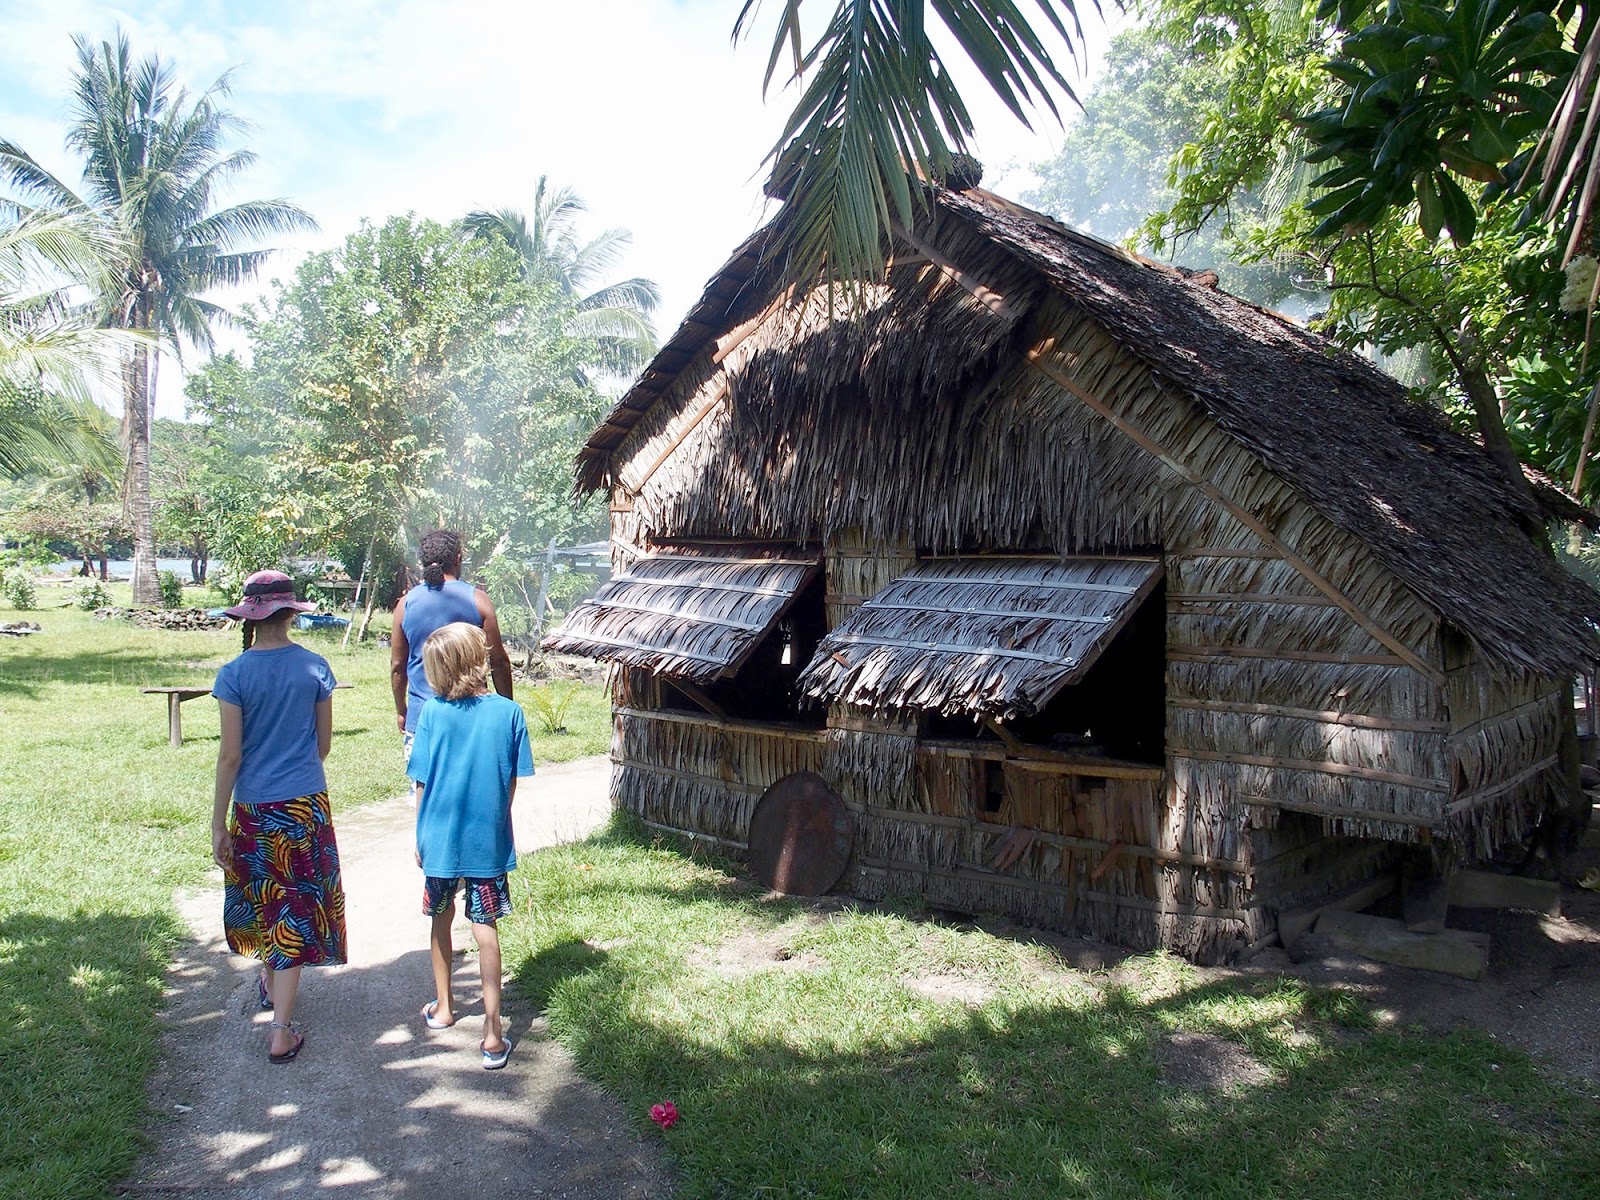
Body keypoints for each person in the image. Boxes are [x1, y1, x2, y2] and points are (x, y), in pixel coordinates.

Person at [211, 570, 348, 1064]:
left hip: (252, 807)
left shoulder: (234, 674)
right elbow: (324, 745)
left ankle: (273, 987)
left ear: (249, 615)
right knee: (294, 905)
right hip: (304, 804)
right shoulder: (315, 668)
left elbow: (230, 757)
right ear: (292, 613)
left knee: (267, 898)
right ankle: (282, 1029)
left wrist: (217, 823)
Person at [406, 621, 533, 1070]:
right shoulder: (509, 713)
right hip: (487, 843)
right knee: (486, 931)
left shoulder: (433, 715)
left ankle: (444, 1008)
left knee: (441, 922)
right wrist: (498, 825)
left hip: (439, 839)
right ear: (479, 659)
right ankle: (494, 1035)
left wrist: (421, 835)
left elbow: (421, 782)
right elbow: (511, 781)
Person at [390, 530, 513, 763]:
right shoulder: (478, 600)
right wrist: (506, 706)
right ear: (458, 558)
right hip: (474, 717)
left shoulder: (405, 605)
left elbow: (398, 666)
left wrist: (402, 710)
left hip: (422, 717)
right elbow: (498, 661)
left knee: (424, 793)